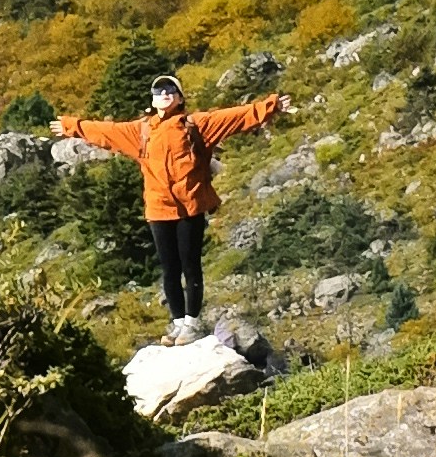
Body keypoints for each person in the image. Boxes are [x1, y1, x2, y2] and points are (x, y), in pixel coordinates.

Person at [52, 67, 284, 335]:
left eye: (170, 90)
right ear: (152, 100)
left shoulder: (196, 125)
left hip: (190, 207)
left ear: (180, 98)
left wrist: (272, 105)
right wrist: (73, 126)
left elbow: (236, 117)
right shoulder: (141, 131)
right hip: (158, 209)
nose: (164, 94)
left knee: (190, 266)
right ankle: (177, 324)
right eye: (158, 91)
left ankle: (192, 323)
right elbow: (106, 131)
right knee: (170, 270)